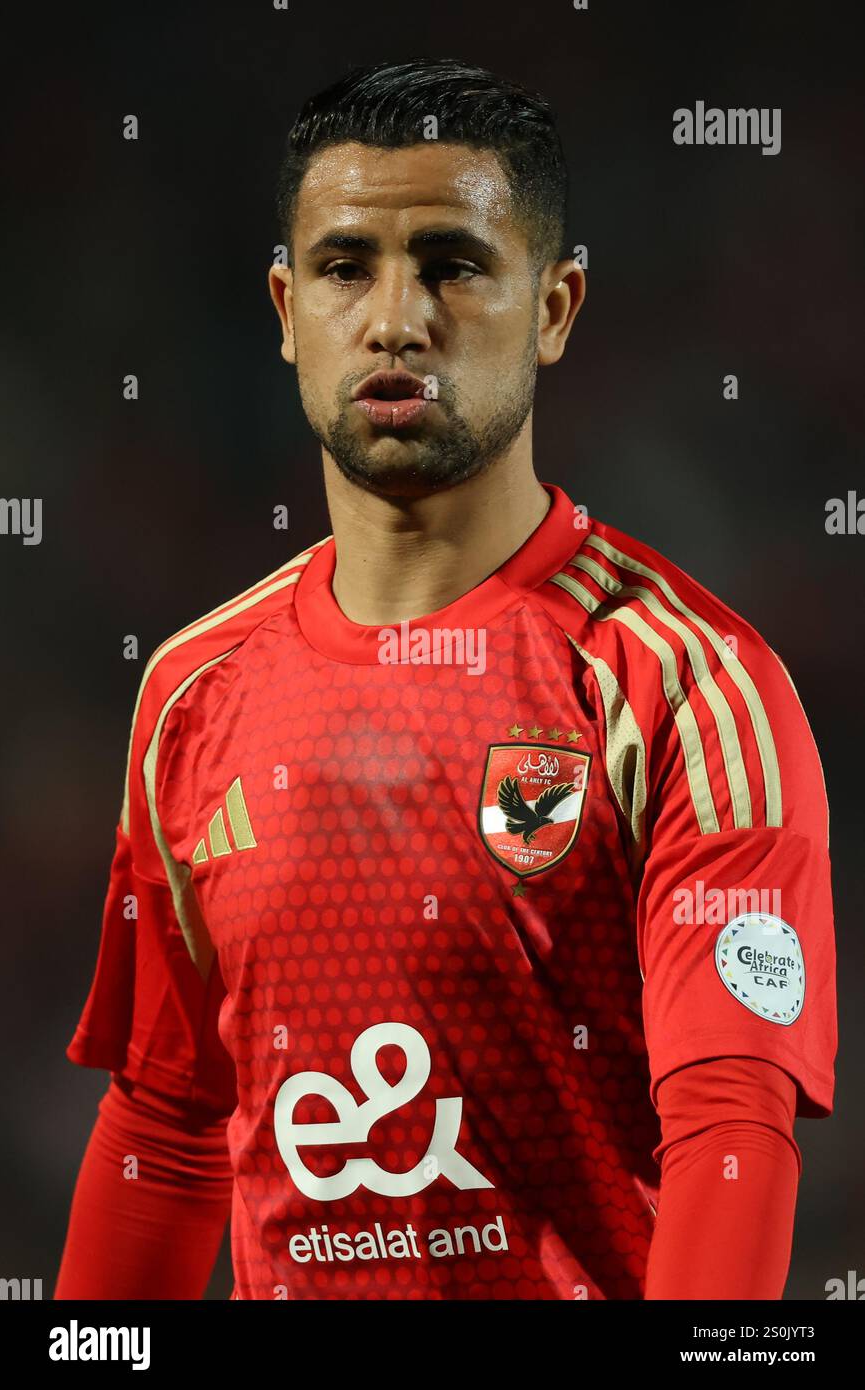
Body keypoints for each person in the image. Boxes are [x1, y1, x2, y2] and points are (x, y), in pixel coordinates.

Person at [56, 56, 836, 1301]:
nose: (396, 318)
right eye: (345, 264)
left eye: (454, 265)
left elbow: (728, 1133)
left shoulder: (689, 684)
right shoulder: (193, 692)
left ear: (555, 305)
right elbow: (162, 1124)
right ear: (282, 307)